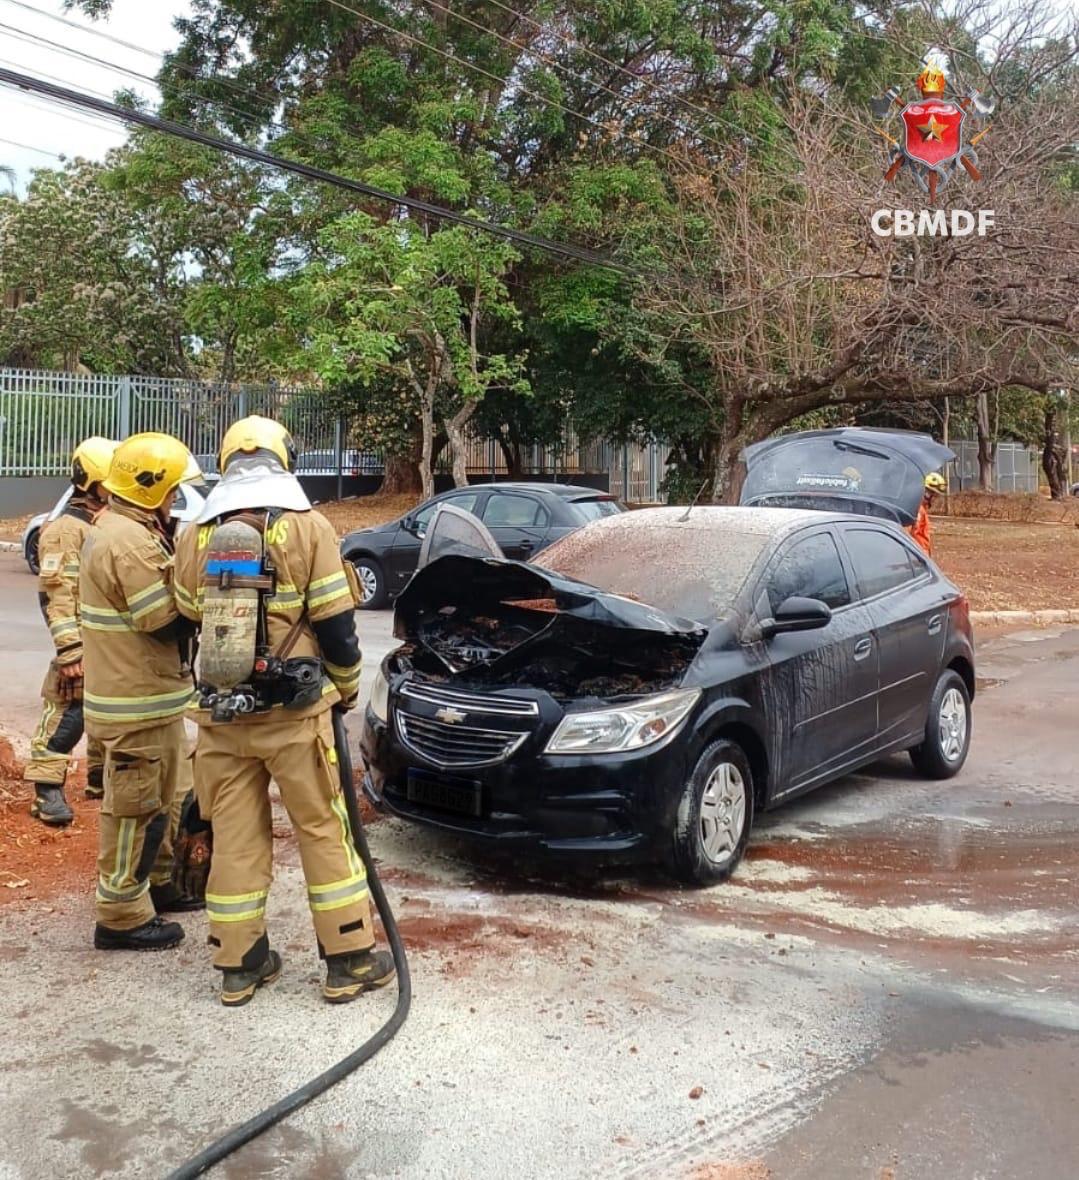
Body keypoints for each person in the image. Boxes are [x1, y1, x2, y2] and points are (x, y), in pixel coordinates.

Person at [173, 415, 394, 1007]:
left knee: (235, 837)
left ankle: (239, 965)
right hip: (294, 715)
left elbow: (187, 613)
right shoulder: (307, 526)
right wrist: (345, 688)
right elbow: (336, 625)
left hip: (221, 716)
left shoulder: (196, 532)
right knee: (323, 829)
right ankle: (348, 960)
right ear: (285, 459)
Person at [81, 432, 204, 952]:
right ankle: (121, 916)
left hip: (151, 698)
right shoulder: (128, 541)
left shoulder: (125, 528)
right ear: (150, 489)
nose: (175, 498)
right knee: (134, 810)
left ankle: (158, 883)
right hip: (134, 704)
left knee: (165, 801)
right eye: (172, 489)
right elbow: (162, 620)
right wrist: (210, 596)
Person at [24, 438, 117, 826]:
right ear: (92, 483)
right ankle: (46, 789)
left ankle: (99, 780)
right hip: (80, 639)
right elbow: (56, 594)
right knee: (69, 709)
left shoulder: (104, 523)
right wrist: (70, 650)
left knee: (108, 709)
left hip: (107, 639)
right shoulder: (66, 530)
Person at [909, 472, 946, 556]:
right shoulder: (918, 510)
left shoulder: (921, 509)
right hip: (917, 555)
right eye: (934, 495)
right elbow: (911, 534)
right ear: (926, 492)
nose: (935, 499)